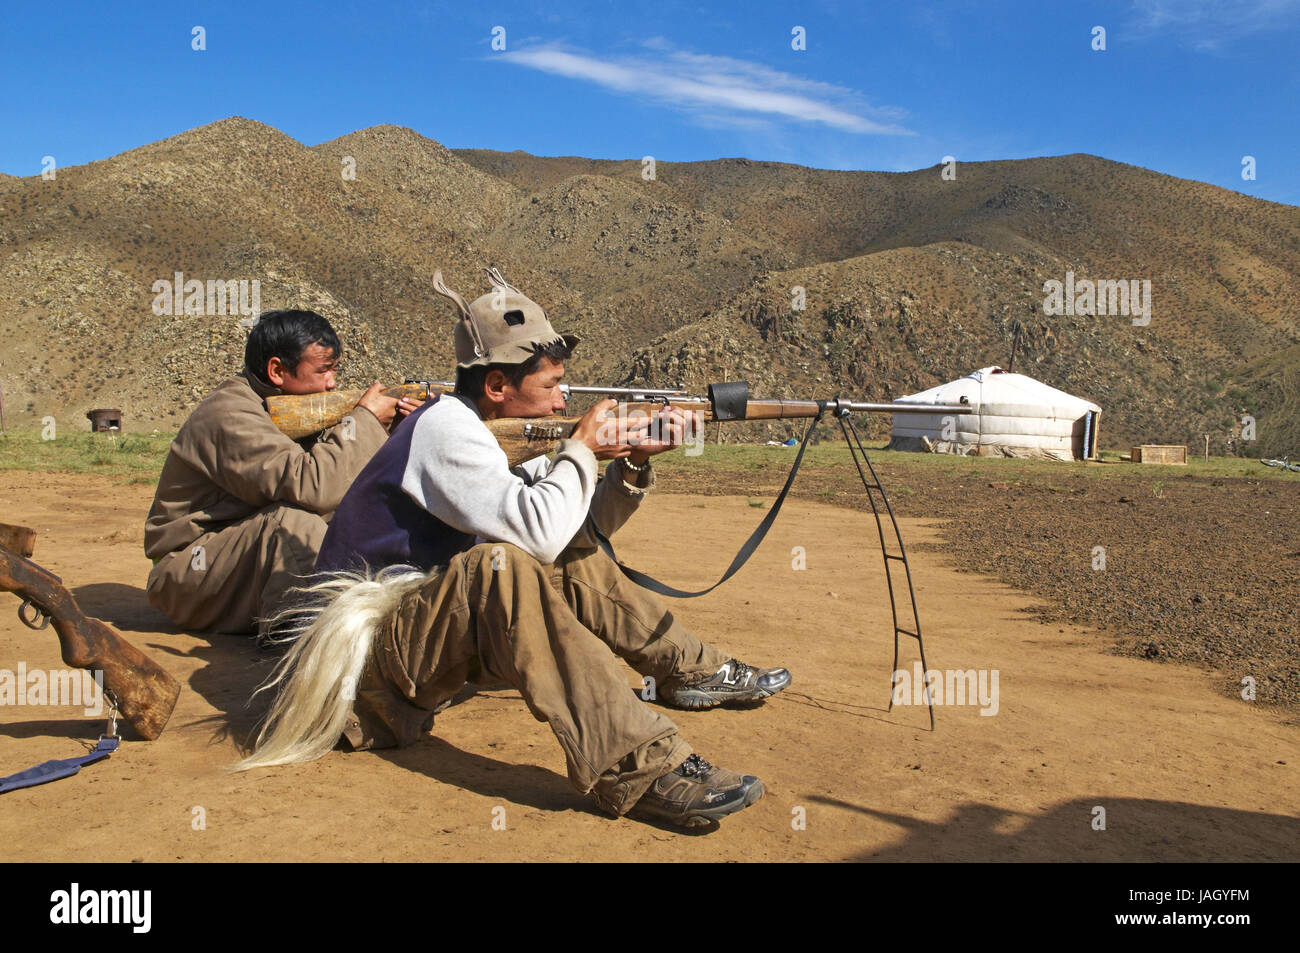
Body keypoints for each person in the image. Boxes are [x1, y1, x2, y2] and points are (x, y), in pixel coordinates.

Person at [235, 270, 791, 828]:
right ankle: (640, 765)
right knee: (498, 565)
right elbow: (536, 535)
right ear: (497, 386)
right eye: (550, 385)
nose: (561, 398)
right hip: (358, 680)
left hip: (409, 651)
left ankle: (687, 669)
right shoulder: (448, 427)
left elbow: (575, 535)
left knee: (549, 557)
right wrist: (580, 450)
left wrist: (632, 463)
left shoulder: (491, 431)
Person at [144, 309, 420, 643]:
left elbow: (343, 478)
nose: (332, 382)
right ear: (277, 370)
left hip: (239, 562)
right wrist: (363, 421)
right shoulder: (228, 413)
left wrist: (400, 433)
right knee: (290, 521)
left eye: (335, 370)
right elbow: (313, 485)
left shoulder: (289, 405)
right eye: (323, 370)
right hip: (189, 573)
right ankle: (302, 635)